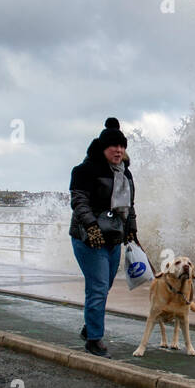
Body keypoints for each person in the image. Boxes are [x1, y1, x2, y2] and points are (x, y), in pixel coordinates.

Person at [68, 117, 139, 357]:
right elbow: (79, 202)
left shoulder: (125, 175)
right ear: (103, 148)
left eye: (122, 146)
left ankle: (90, 327)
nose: (119, 150)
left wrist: (132, 229)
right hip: (88, 238)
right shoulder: (84, 170)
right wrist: (92, 227)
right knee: (98, 287)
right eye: (113, 146)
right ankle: (94, 340)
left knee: (104, 286)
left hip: (113, 239)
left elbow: (129, 207)